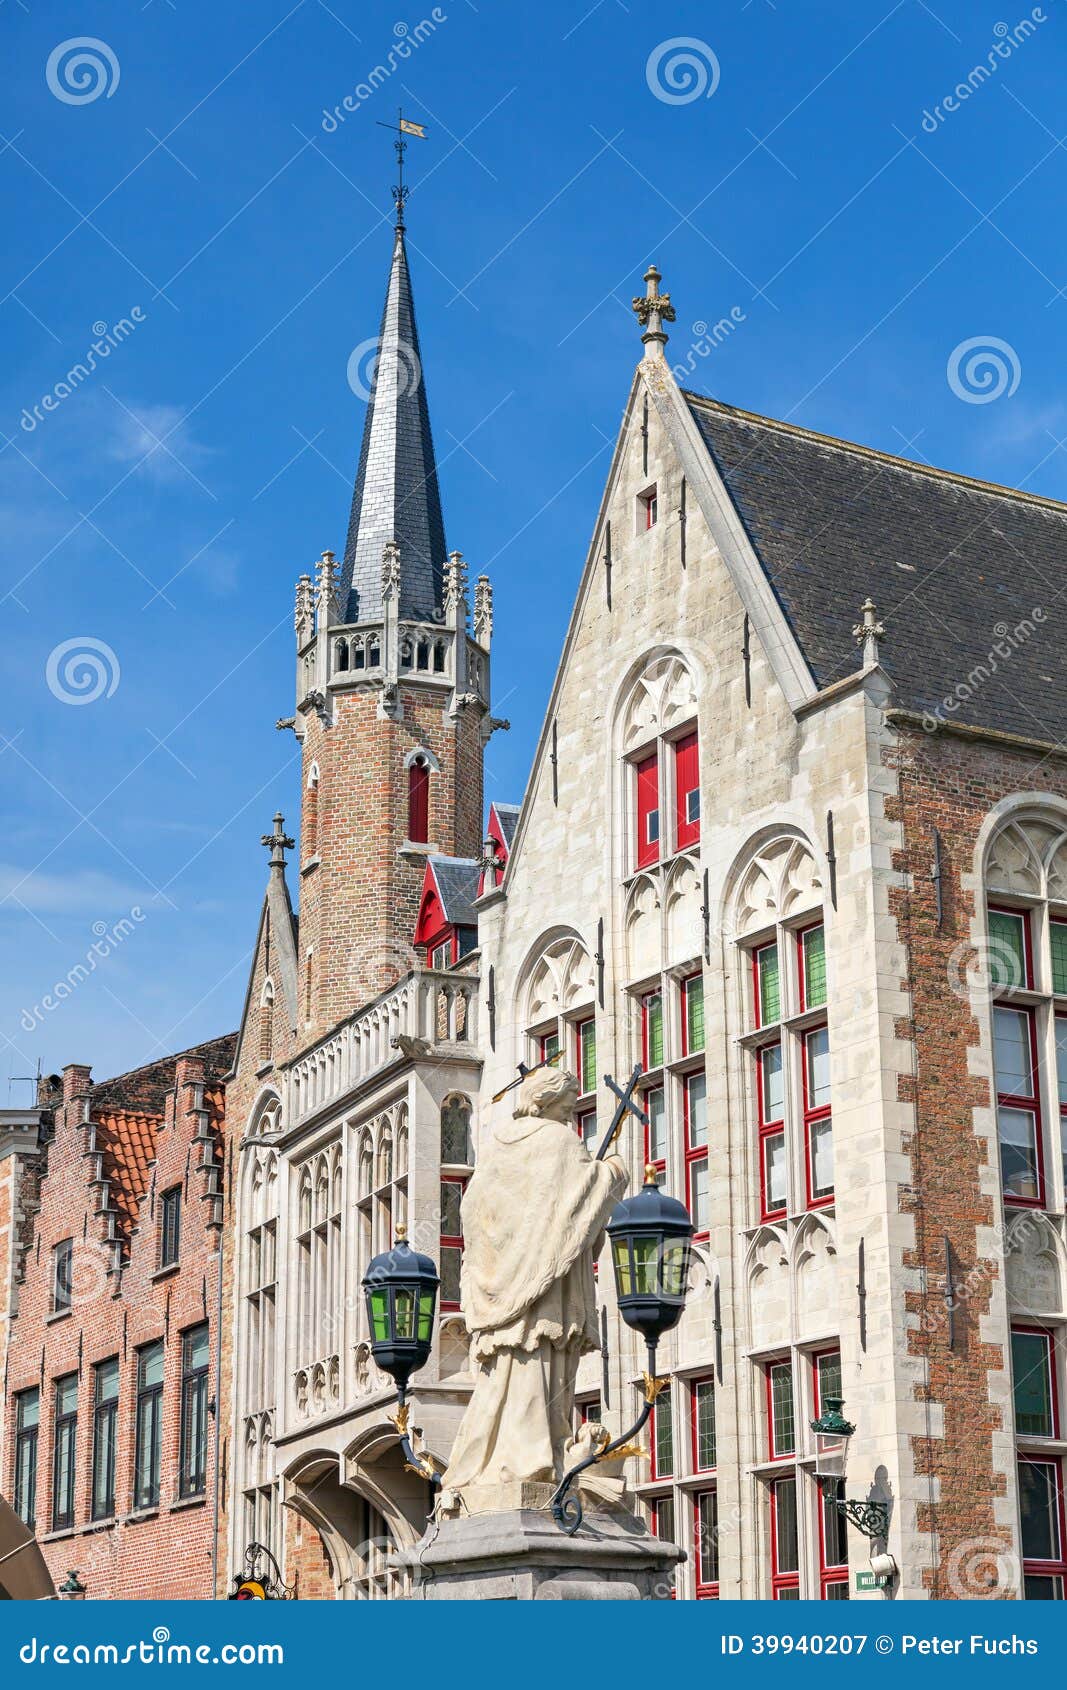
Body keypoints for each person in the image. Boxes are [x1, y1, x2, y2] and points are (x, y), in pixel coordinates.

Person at [440, 1065, 628, 1499]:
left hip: (501, 1286)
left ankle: (500, 1458)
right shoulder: (558, 1141)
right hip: (545, 1290)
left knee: (508, 1377)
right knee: (542, 1369)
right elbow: (580, 1203)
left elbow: (473, 1213)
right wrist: (613, 1171)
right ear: (550, 1100)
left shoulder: (496, 1150)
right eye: (569, 1101)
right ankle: (535, 1456)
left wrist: (503, 1260)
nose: (574, 1109)